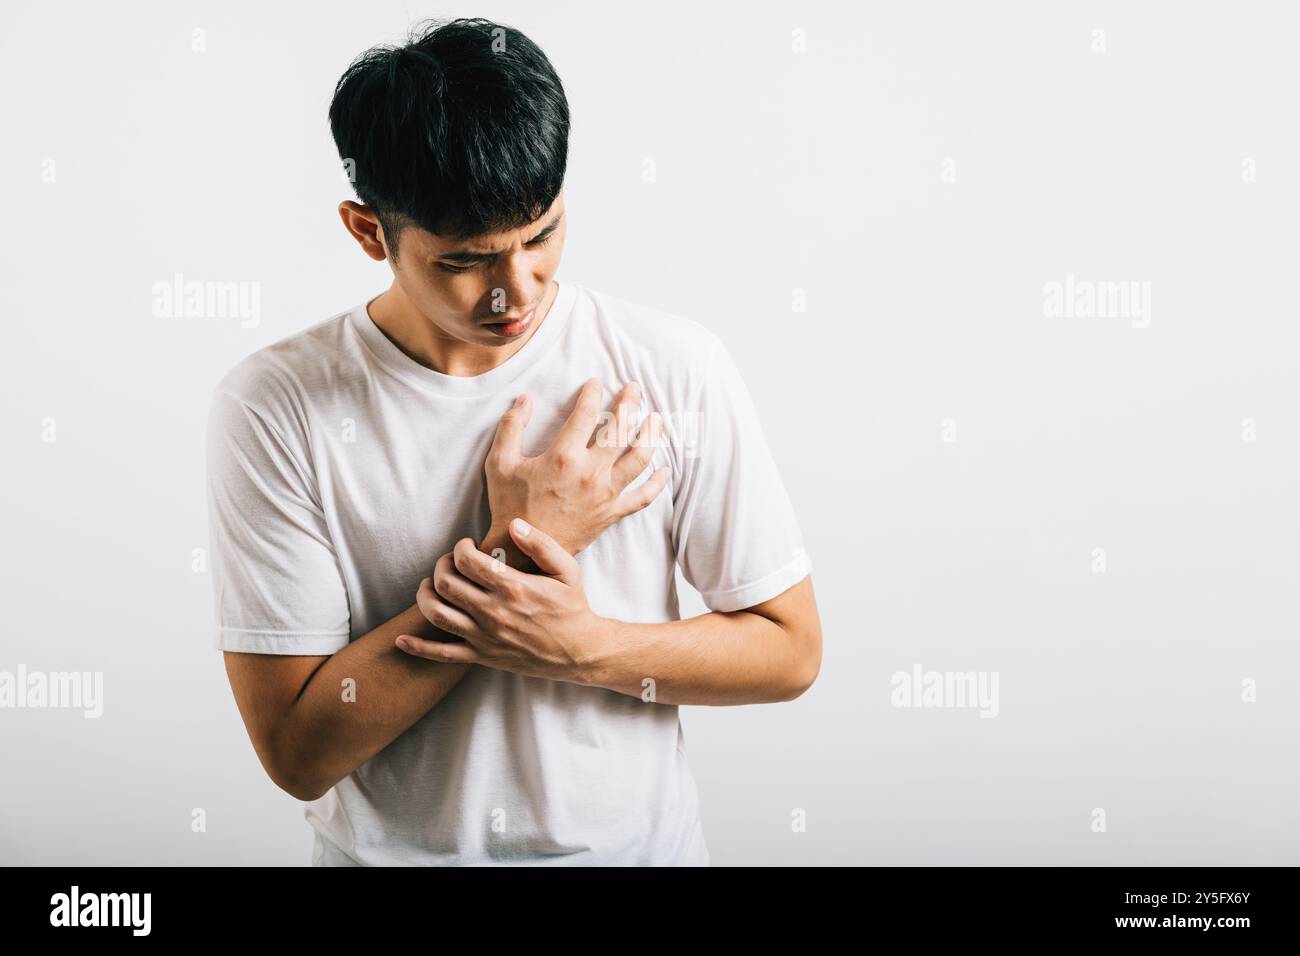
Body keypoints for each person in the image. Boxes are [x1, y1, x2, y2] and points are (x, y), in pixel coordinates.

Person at [205, 16, 821, 866]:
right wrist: (523, 549)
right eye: (465, 262)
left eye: (542, 235)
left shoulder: (672, 366)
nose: (514, 291)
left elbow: (788, 650)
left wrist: (586, 647)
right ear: (368, 231)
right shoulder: (277, 406)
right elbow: (299, 754)